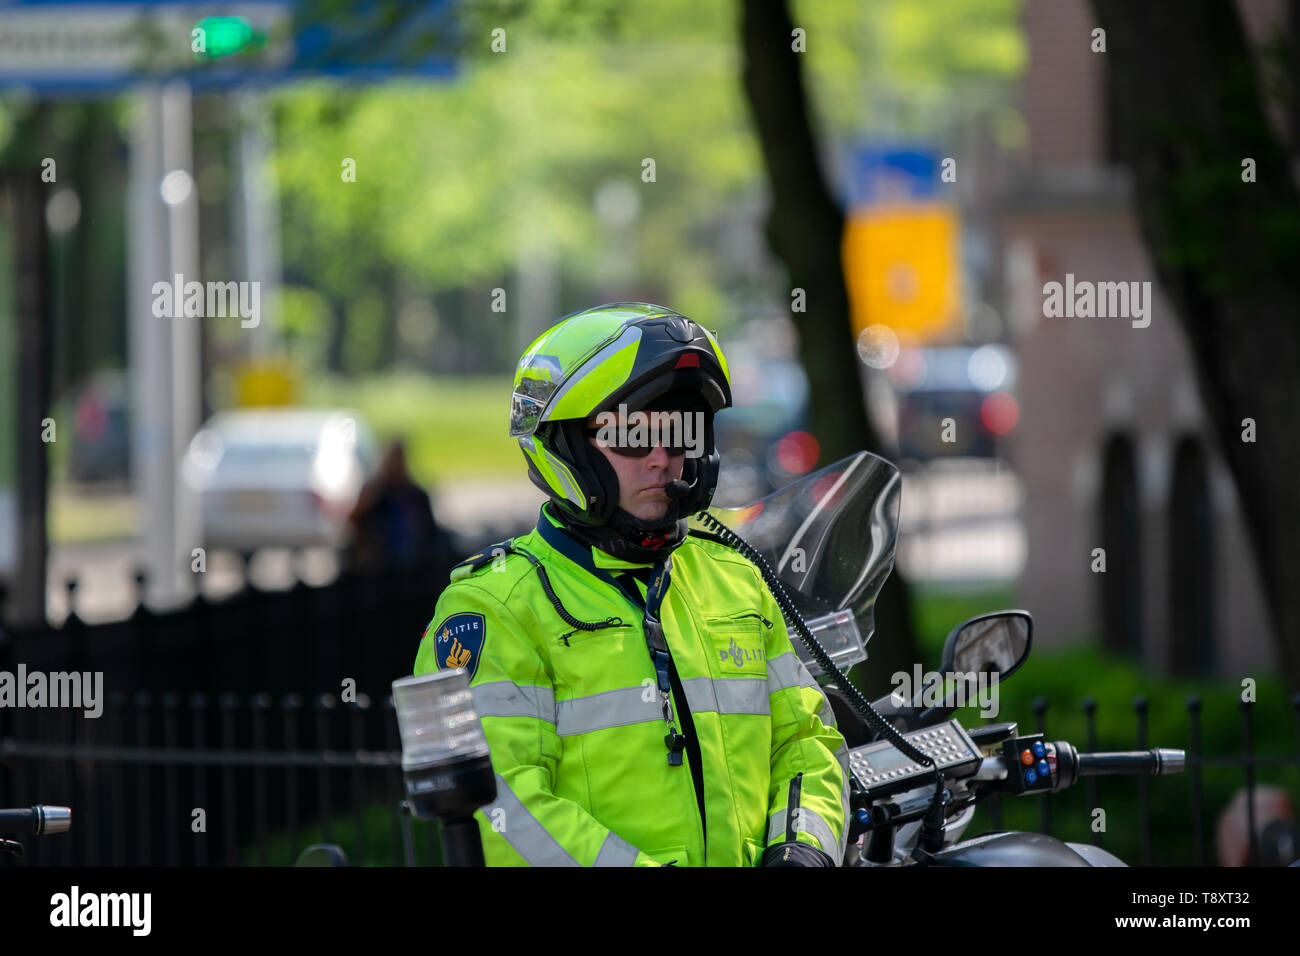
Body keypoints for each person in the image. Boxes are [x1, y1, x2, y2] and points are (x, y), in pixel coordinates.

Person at [413, 302, 849, 867]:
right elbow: (504, 809)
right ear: (566, 445)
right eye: (631, 435)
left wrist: (803, 848)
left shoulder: (735, 580)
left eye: (678, 432)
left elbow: (805, 742)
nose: (663, 459)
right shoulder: (495, 607)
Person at [346, 439, 453, 573]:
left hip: (413, 558)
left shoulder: (415, 495)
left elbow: (429, 528)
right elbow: (355, 522)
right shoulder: (375, 494)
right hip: (380, 559)